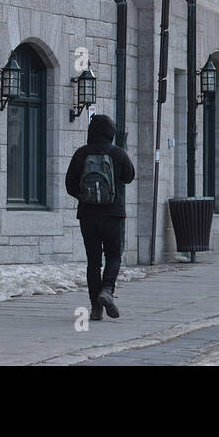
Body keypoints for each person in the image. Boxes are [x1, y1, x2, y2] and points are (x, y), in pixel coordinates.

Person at [65, 114, 136, 321]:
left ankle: (95, 308)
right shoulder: (117, 153)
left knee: (93, 261)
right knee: (114, 255)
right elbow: (129, 177)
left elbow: (70, 185)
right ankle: (107, 289)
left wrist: (85, 197)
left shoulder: (81, 153)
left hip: (88, 215)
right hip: (113, 214)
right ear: (111, 132)